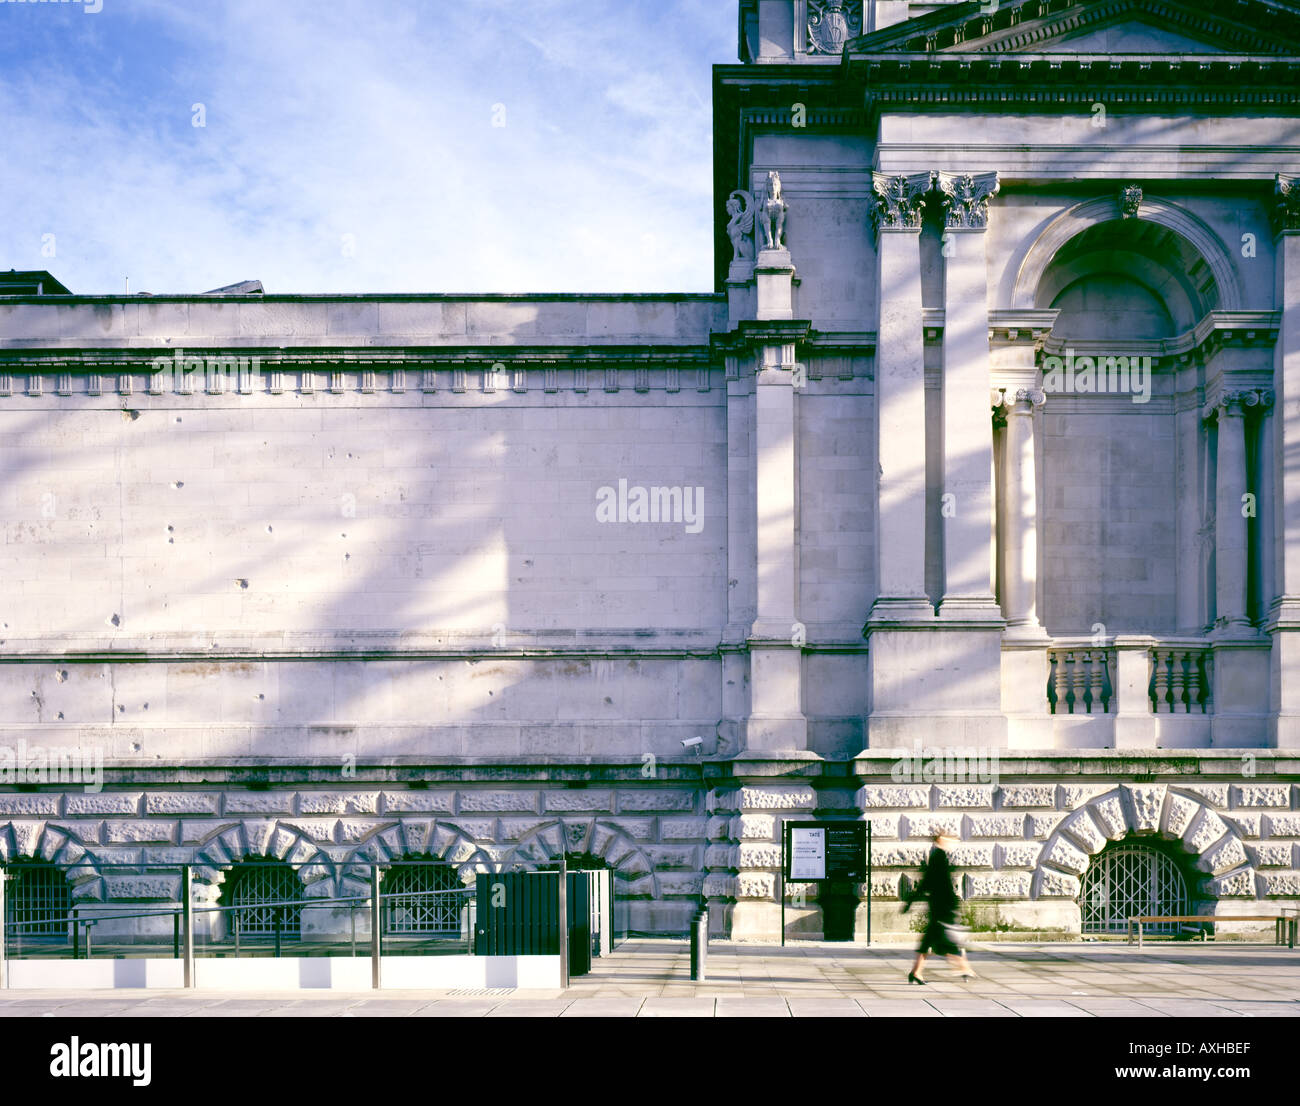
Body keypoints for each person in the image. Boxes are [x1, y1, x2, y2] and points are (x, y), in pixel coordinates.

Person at [902, 832, 976, 984]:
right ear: (941, 840)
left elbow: (926, 882)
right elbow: (932, 883)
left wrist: (912, 900)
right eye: (950, 840)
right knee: (948, 940)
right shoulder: (939, 857)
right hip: (943, 907)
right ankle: (963, 968)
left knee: (930, 940)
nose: (952, 844)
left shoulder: (938, 856)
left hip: (938, 906)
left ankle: (916, 972)